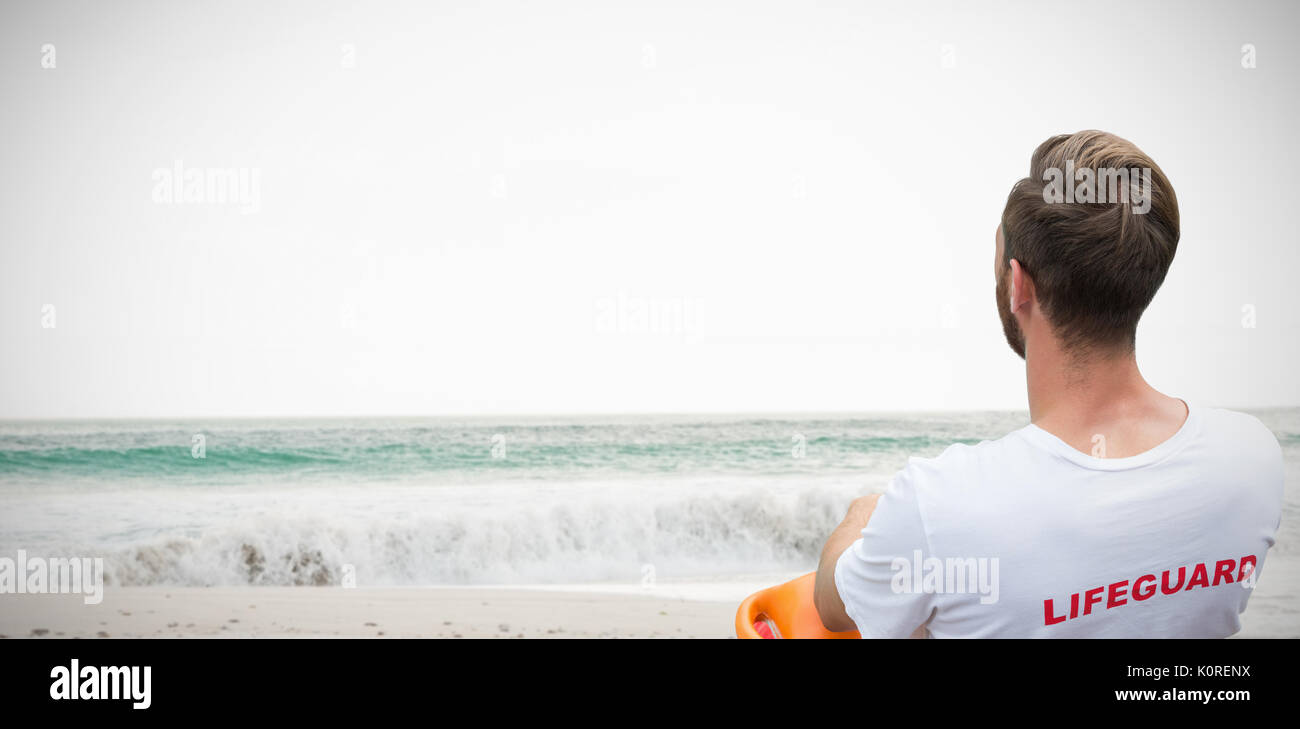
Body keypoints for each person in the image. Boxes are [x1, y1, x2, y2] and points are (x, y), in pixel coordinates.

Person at [813, 130, 1284, 638]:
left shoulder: (942, 504)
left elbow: (836, 607)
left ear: (1018, 284)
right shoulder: (1250, 455)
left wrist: (859, 519)